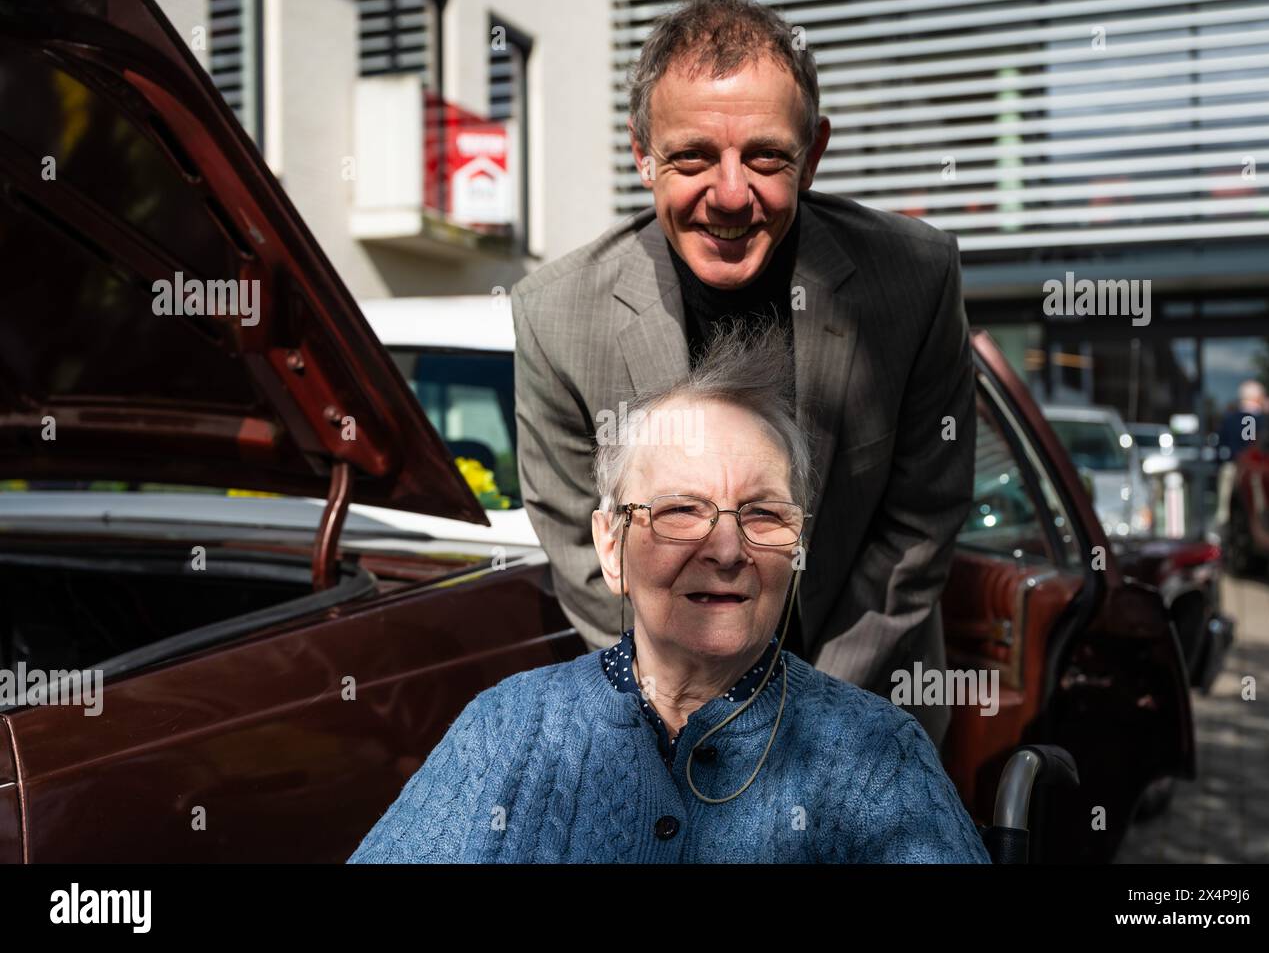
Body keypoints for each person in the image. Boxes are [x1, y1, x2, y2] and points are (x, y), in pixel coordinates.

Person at [348, 325, 990, 863]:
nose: (728, 550)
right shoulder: (511, 731)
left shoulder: (877, 757)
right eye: (681, 510)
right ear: (610, 545)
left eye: (763, 514)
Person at [510, 0, 974, 744]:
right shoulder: (555, 315)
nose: (730, 196)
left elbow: (919, 525)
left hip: (865, 721)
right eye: (692, 157)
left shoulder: (914, 281)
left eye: (766, 158)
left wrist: (805, 711)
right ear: (641, 152)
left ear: (814, 153)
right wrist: (695, 709)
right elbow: (583, 552)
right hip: (666, 727)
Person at [1214, 379, 1269, 529]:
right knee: (1258, 509)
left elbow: (1220, 446)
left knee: (1224, 508)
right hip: (1254, 470)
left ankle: (1222, 533)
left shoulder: (1229, 419)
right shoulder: (1262, 420)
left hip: (1231, 467)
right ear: (1258, 397)